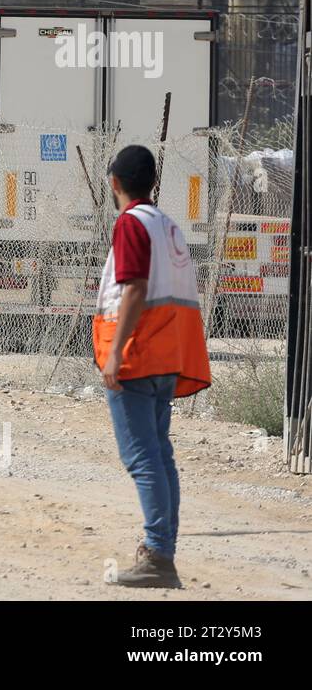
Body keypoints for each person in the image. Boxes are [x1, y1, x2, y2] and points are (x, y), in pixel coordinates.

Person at [94, 144, 211, 588]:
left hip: (138, 357)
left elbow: (136, 289)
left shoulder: (130, 223)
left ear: (115, 183)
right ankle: (162, 551)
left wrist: (115, 352)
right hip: (168, 356)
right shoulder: (168, 225)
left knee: (143, 459)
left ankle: (158, 556)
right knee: (161, 457)